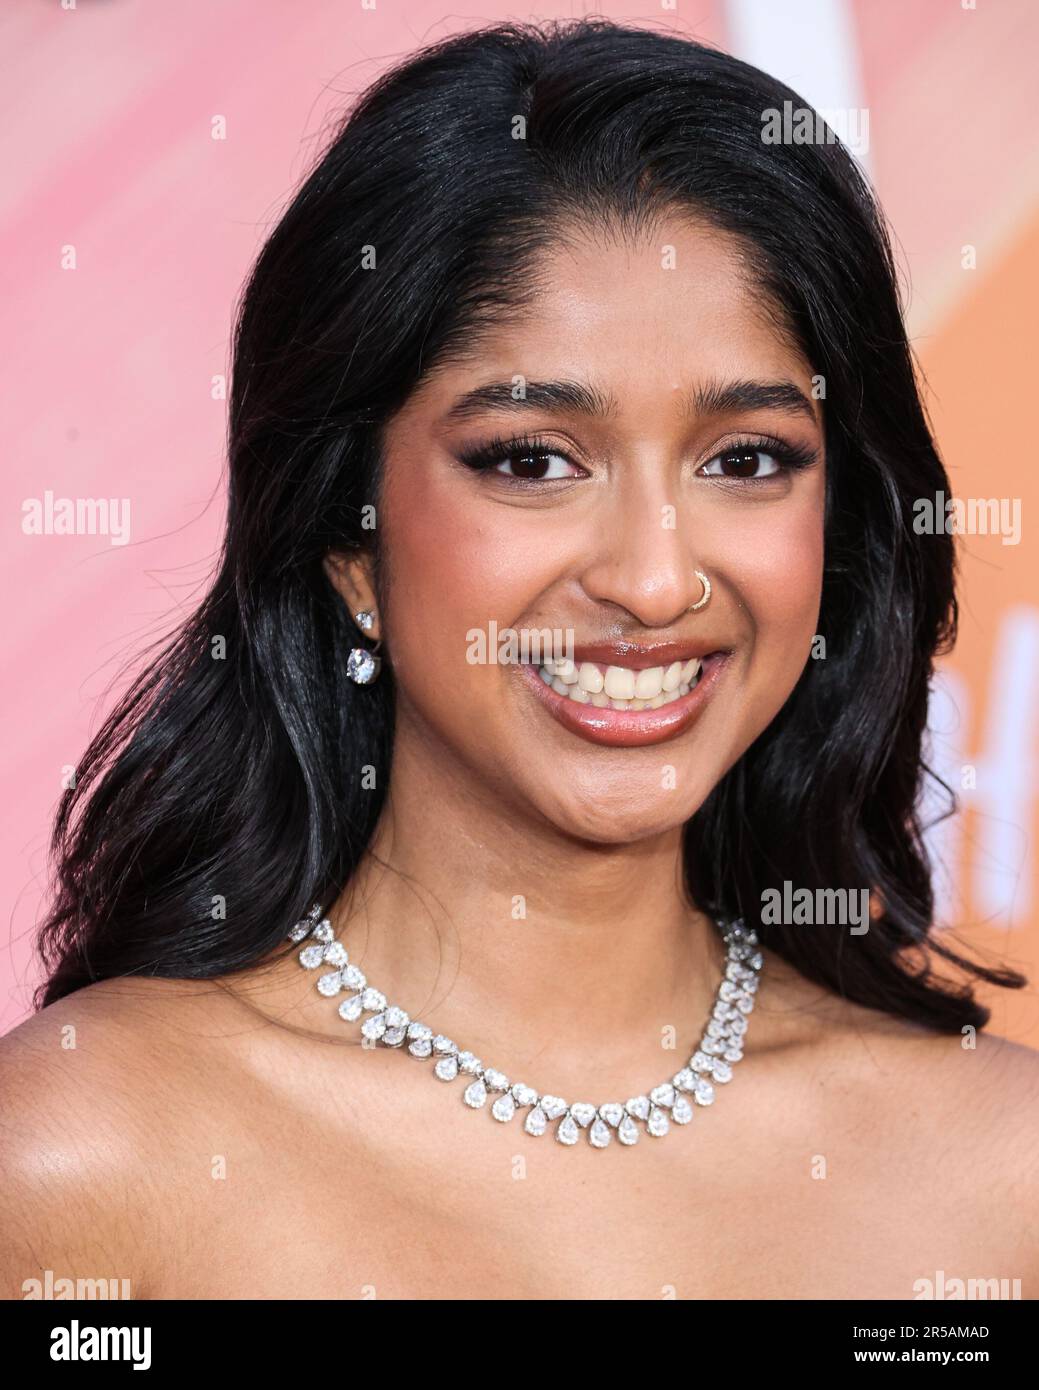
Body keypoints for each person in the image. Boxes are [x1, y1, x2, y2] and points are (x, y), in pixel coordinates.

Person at [3, 18, 1036, 1301]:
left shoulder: (1002, 1179)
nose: (655, 580)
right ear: (347, 542)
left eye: (746, 460)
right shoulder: (82, 1161)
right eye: (532, 460)